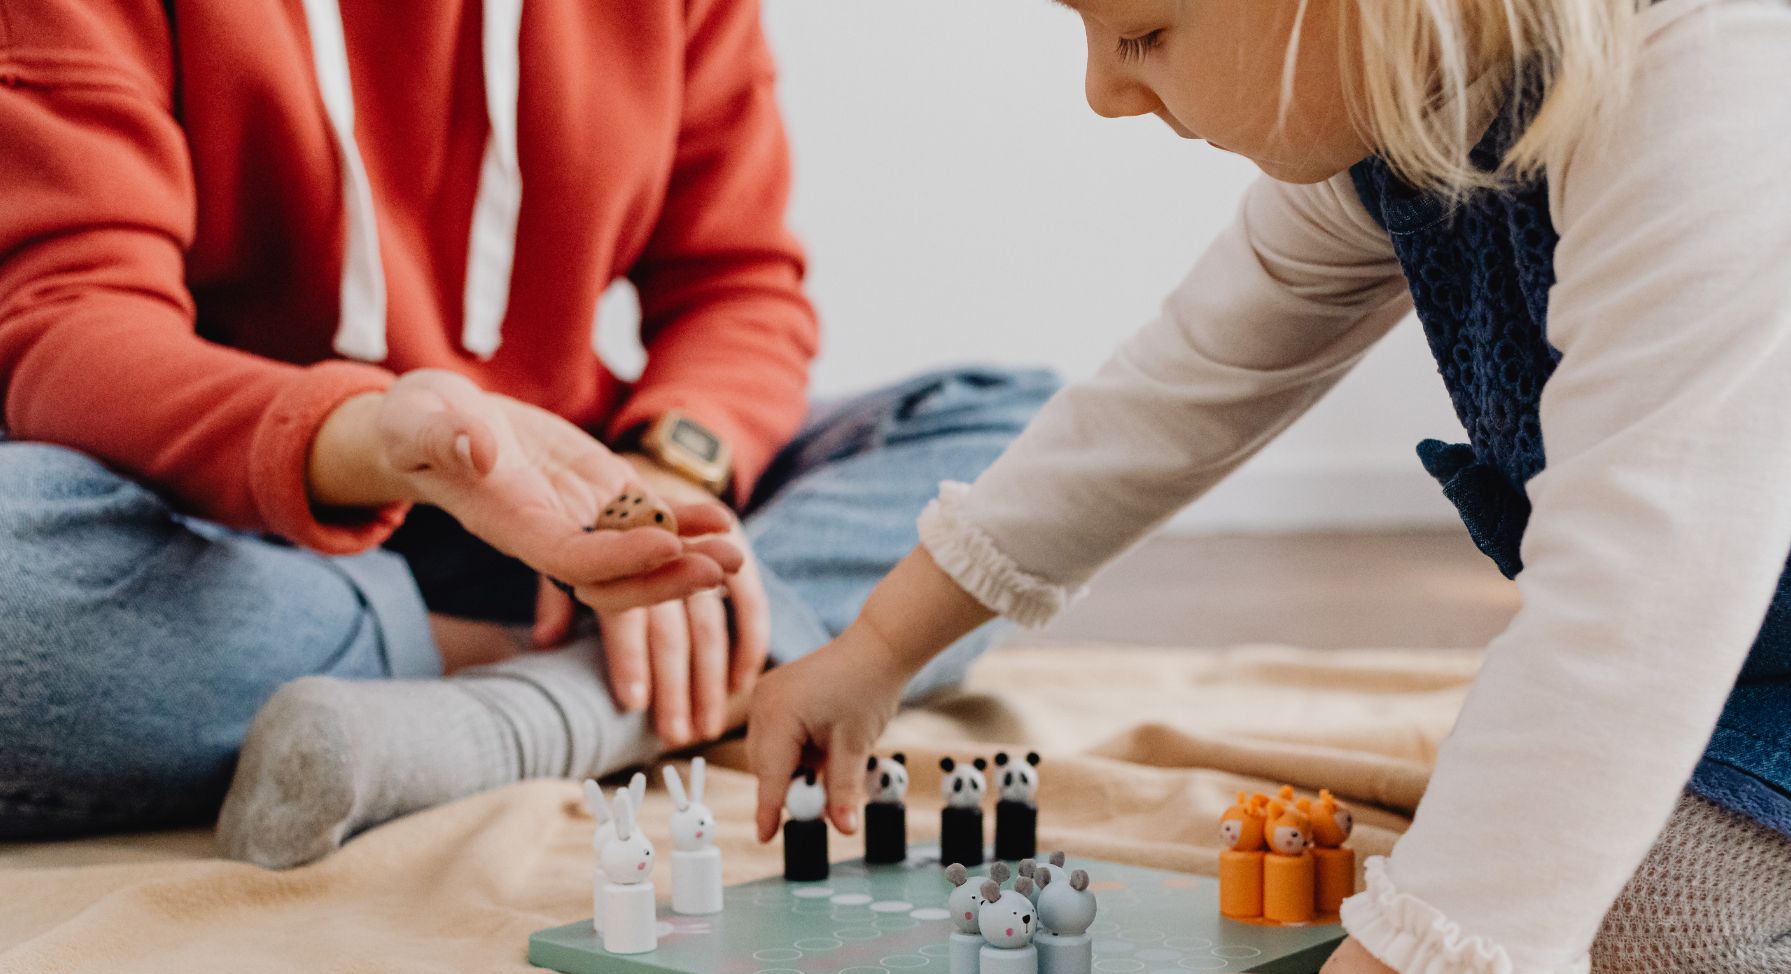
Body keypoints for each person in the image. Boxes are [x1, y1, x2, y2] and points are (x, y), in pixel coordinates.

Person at [747, 0, 1791, 974]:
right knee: (1548, 838)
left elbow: (1642, 578)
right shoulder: (1408, 88)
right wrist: (878, 646)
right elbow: (1175, 392)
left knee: (1645, 939)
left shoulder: (1755, 72)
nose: (1104, 94)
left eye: (1142, 33)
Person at [0, 0, 1055, 864]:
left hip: (567, 497)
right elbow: (68, 316)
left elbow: (737, 284)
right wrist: (368, 436)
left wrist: (656, 488)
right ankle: (562, 666)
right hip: (228, 536)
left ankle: (521, 715)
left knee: (1032, 451)